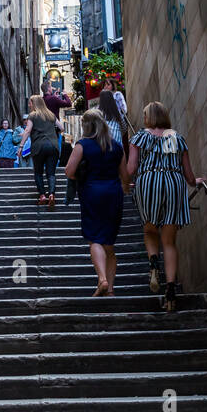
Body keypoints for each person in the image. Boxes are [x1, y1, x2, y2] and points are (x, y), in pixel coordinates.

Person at [126, 100, 203, 312]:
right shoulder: (176, 138)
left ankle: (153, 265)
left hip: (148, 183)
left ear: (148, 118)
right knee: (169, 242)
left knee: (150, 230)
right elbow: (189, 175)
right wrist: (195, 181)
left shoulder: (140, 137)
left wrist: (124, 181)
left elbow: (131, 168)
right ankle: (170, 290)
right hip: (173, 184)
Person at [65, 109, 129, 296]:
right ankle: (110, 289)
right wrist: (125, 188)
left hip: (92, 193)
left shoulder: (82, 145)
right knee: (109, 243)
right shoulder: (116, 146)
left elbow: (69, 171)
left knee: (95, 238)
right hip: (113, 193)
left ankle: (102, 279)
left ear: (86, 126)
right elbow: (125, 176)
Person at [18, 94, 63, 206]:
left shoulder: (32, 115)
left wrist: (21, 146)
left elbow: (28, 130)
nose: (29, 105)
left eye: (30, 103)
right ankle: (52, 194)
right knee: (51, 173)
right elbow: (62, 128)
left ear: (34, 104)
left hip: (39, 146)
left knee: (38, 172)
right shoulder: (51, 114)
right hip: (53, 146)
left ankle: (42, 195)